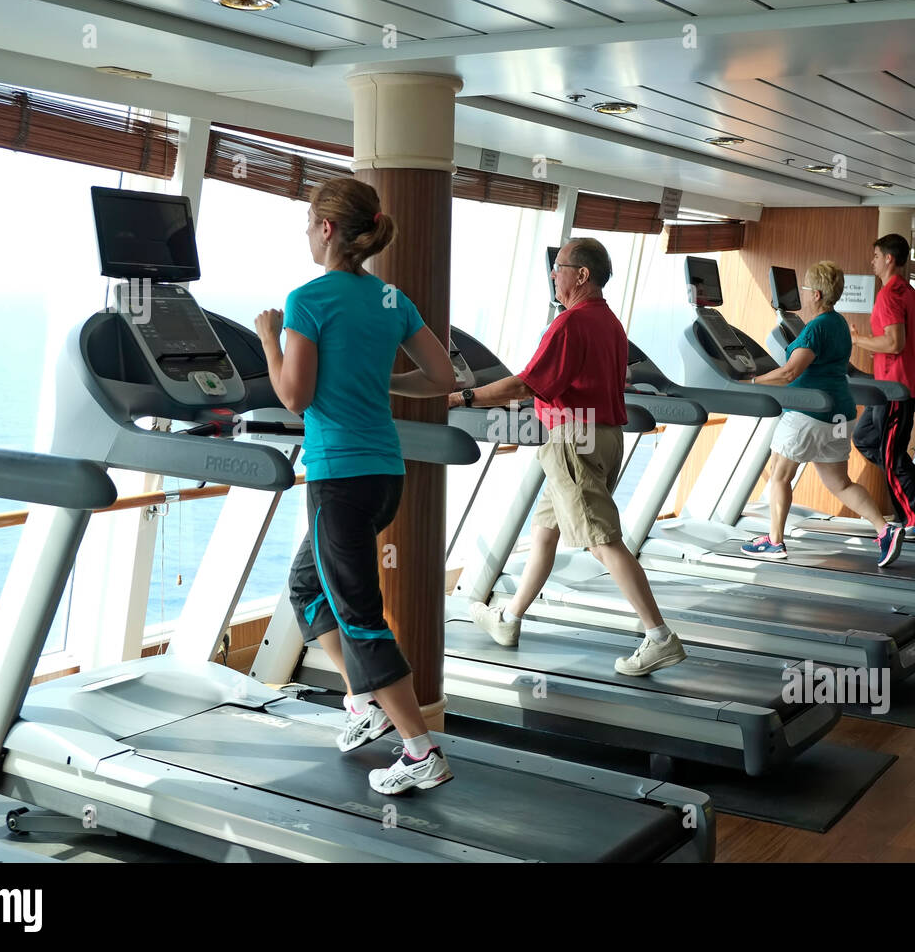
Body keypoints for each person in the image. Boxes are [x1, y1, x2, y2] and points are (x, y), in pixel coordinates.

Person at [256, 178, 459, 796]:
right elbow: (443, 376)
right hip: (383, 476)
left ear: (325, 228)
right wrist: (381, 383)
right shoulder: (391, 299)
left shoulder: (306, 300)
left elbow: (295, 396)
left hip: (338, 478)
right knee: (306, 586)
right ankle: (363, 701)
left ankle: (419, 750)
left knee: (361, 616)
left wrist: (267, 336)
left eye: (307, 223)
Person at [453, 237, 686, 676]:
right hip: (602, 437)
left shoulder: (570, 323)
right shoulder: (610, 323)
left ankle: (660, 637)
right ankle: (511, 619)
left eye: (558, 267)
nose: (552, 275)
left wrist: (462, 397)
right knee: (545, 530)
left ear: (581, 274)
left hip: (572, 442)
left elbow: (525, 385)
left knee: (601, 541)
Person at [741, 262, 904, 567]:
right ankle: (885, 529)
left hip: (809, 413)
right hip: (840, 415)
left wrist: (750, 383)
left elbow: (790, 372)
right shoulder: (839, 323)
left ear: (815, 293)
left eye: (804, 289)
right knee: (840, 483)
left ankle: (774, 542)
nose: (803, 294)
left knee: (779, 474)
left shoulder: (816, 328)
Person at [850, 233, 915, 539]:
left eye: (876, 256)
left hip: (893, 387)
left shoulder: (890, 295)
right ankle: (914, 482)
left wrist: (856, 338)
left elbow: (893, 342)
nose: (872, 261)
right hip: (892, 385)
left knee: (892, 457)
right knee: (864, 438)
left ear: (888, 258)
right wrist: (903, 348)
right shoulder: (910, 293)